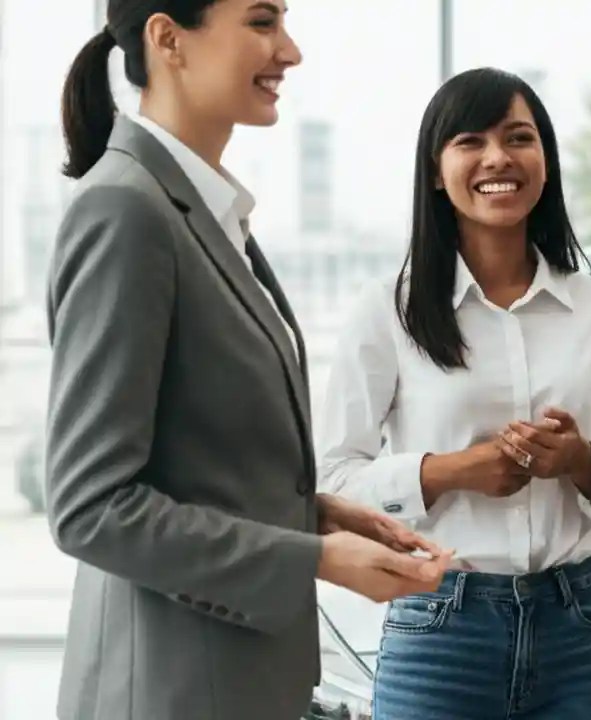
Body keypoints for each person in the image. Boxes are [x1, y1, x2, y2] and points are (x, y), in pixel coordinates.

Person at [46, 2, 452, 719]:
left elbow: (195, 460)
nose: (289, 51)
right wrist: (313, 560)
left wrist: (314, 516)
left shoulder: (202, 211)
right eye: (262, 22)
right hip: (168, 694)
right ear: (167, 38)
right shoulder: (126, 210)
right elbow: (92, 508)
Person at [317, 67, 591, 720]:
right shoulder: (386, 311)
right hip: (440, 624)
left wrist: (580, 461)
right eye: (470, 141)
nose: (498, 158)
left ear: (546, 162)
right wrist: (451, 472)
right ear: (435, 171)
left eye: (519, 138)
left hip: (577, 625)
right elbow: (331, 482)